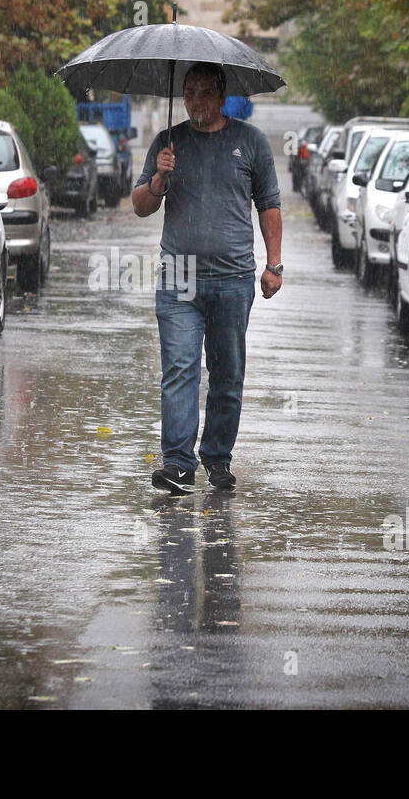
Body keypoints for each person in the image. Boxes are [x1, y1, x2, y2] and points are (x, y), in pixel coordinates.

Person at [131, 62, 283, 494]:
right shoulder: (168, 142)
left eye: (205, 92)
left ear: (221, 95)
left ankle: (217, 456)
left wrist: (274, 264)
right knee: (180, 369)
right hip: (179, 276)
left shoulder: (249, 141)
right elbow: (141, 205)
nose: (197, 101)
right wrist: (161, 176)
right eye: (190, 92)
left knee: (227, 371)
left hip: (234, 278)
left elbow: (269, 204)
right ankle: (178, 464)